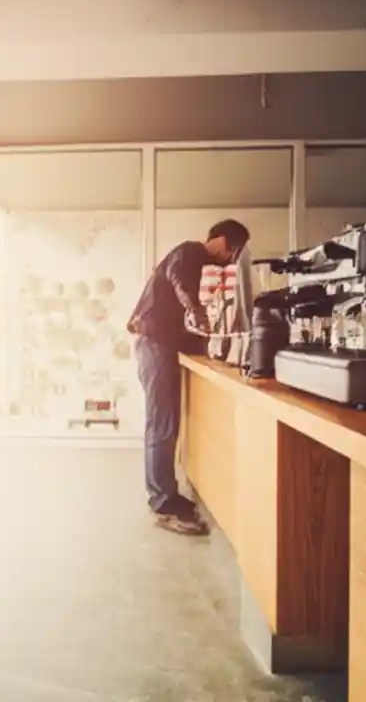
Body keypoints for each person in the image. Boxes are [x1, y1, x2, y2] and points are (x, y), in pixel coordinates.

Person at [127, 219, 250, 535]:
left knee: (166, 423)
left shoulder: (198, 263)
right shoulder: (190, 252)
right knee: (162, 423)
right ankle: (162, 504)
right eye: (233, 251)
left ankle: (166, 494)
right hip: (153, 342)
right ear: (222, 241)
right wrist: (195, 310)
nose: (233, 259)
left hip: (159, 341)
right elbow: (178, 280)